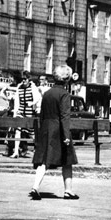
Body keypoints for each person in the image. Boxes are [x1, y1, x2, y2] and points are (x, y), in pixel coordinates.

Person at [29, 65, 78, 201]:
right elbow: (65, 116)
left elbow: (42, 114)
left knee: (44, 160)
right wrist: (66, 135)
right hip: (59, 129)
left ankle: (35, 187)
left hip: (46, 128)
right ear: (67, 79)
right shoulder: (64, 94)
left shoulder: (47, 93)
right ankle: (68, 190)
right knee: (67, 160)